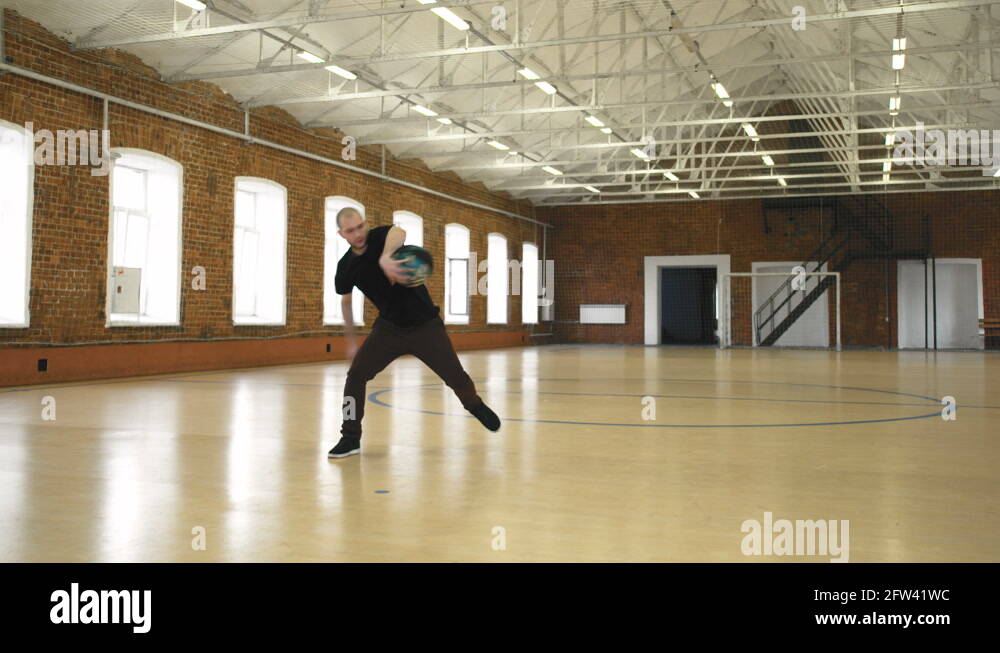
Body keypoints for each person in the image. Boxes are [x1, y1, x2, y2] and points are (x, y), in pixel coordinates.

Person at [328, 207, 501, 458]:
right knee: (355, 376)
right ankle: (350, 437)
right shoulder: (346, 267)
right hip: (388, 329)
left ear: (365, 224)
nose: (358, 234)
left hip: (425, 325)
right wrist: (352, 341)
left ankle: (474, 405)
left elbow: (399, 232)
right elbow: (345, 301)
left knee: (455, 376)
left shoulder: (380, 237)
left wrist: (386, 257)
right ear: (341, 233)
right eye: (350, 230)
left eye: (360, 226)